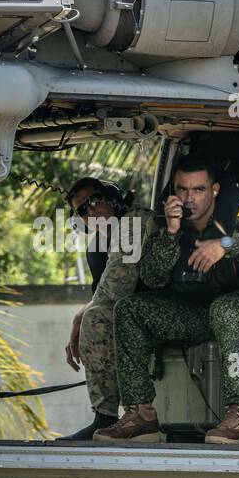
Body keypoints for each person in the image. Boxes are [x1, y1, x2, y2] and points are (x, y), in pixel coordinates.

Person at [93, 154, 239, 445]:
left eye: (198, 189)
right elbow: (152, 278)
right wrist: (171, 234)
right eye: (182, 190)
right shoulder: (168, 229)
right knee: (131, 309)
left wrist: (226, 246)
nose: (189, 198)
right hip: (203, 313)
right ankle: (141, 416)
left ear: (214, 190)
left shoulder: (235, 218)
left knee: (227, 308)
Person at [60, 177, 155, 441]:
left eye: (95, 201)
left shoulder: (134, 223)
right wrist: (81, 316)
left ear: (112, 197)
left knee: (95, 318)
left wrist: (81, 316)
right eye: (82, 210)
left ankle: (110, 417)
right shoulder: (99, 246)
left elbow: (115, 289)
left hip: (168, 305)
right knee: (95, 316)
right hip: (136, 313)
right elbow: (104, 295)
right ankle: (109, 417)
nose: (91, 211)